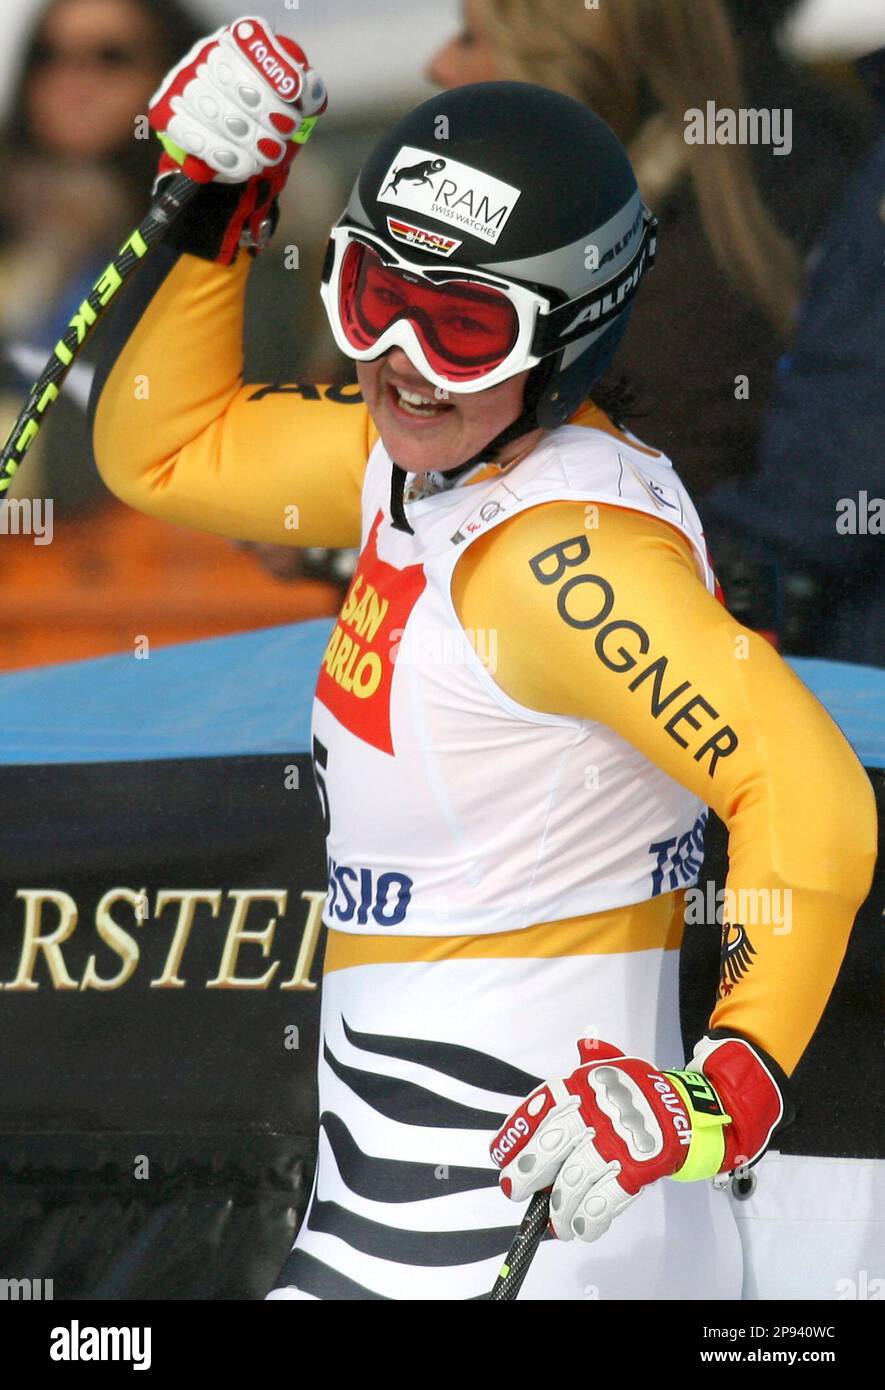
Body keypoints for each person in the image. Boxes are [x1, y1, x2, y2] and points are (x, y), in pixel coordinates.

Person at [89, 18, 877, 1299]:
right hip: (393, 1218)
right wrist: (223, 208)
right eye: (372, 299)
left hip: (538, 1237)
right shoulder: (410, 471)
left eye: (460, 330)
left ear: (567, 336)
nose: (399, 363)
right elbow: (159, 452)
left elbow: (812, 793)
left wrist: (722, 1093)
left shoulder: (559, 562)